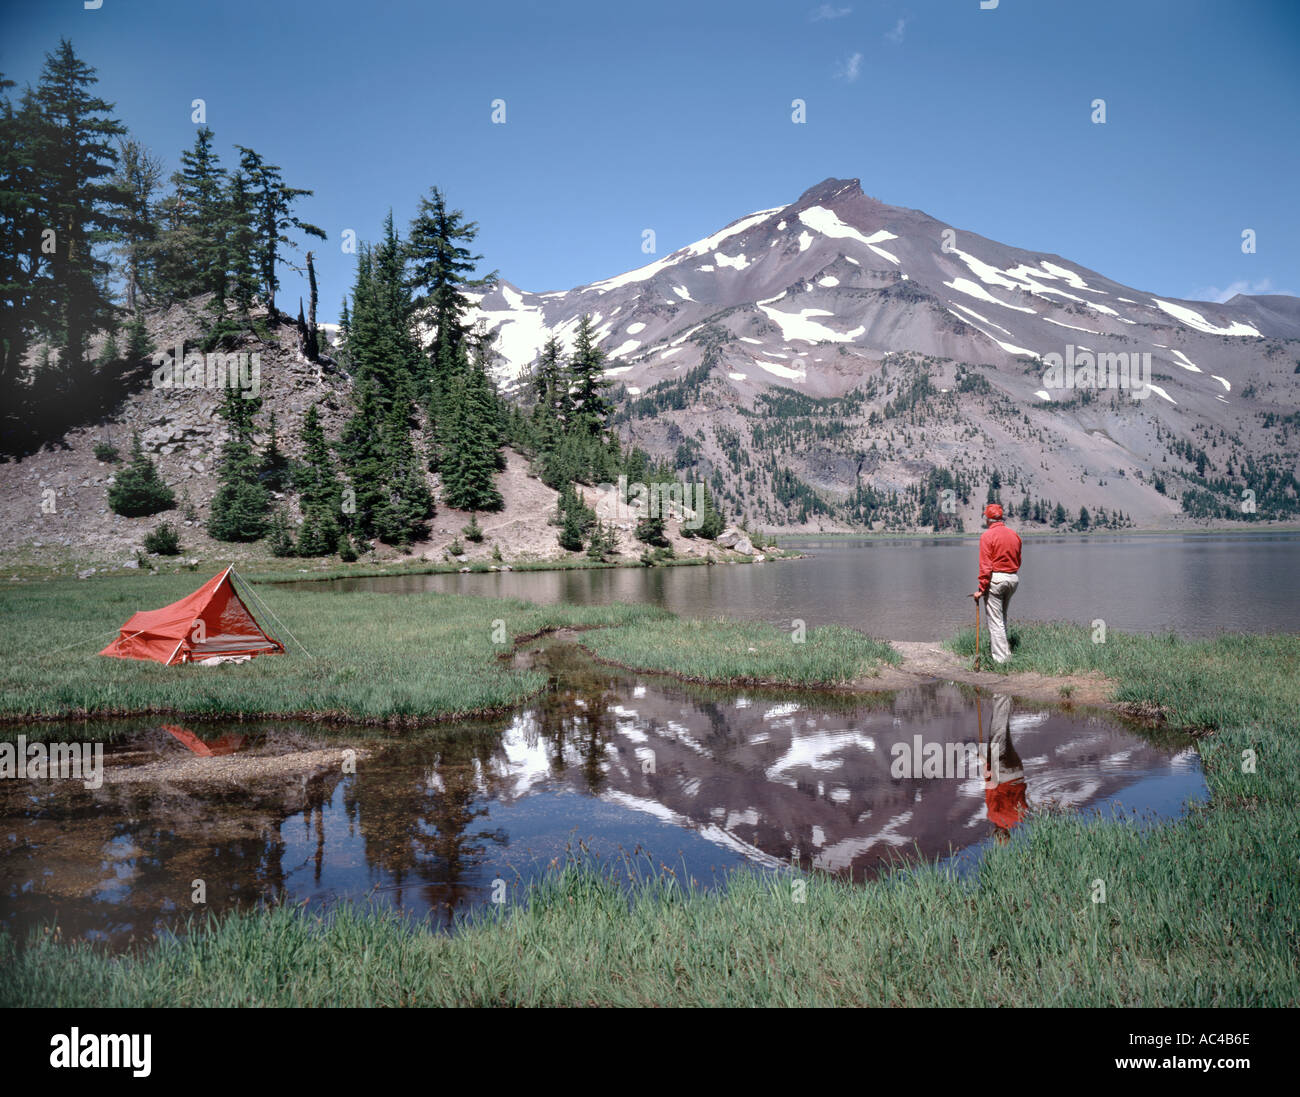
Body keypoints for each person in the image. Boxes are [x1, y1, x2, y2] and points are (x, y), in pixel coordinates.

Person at [970, 503, 1022, 664]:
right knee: (1001, 618)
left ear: (988, 519)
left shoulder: (987, 536)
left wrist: (981, 589)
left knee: (995, 621)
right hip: (1013, 579)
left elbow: (985, 566)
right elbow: (1018, 560)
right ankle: (1005, 652)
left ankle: (1002, 661)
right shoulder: (1014, 535)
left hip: (996, 580)